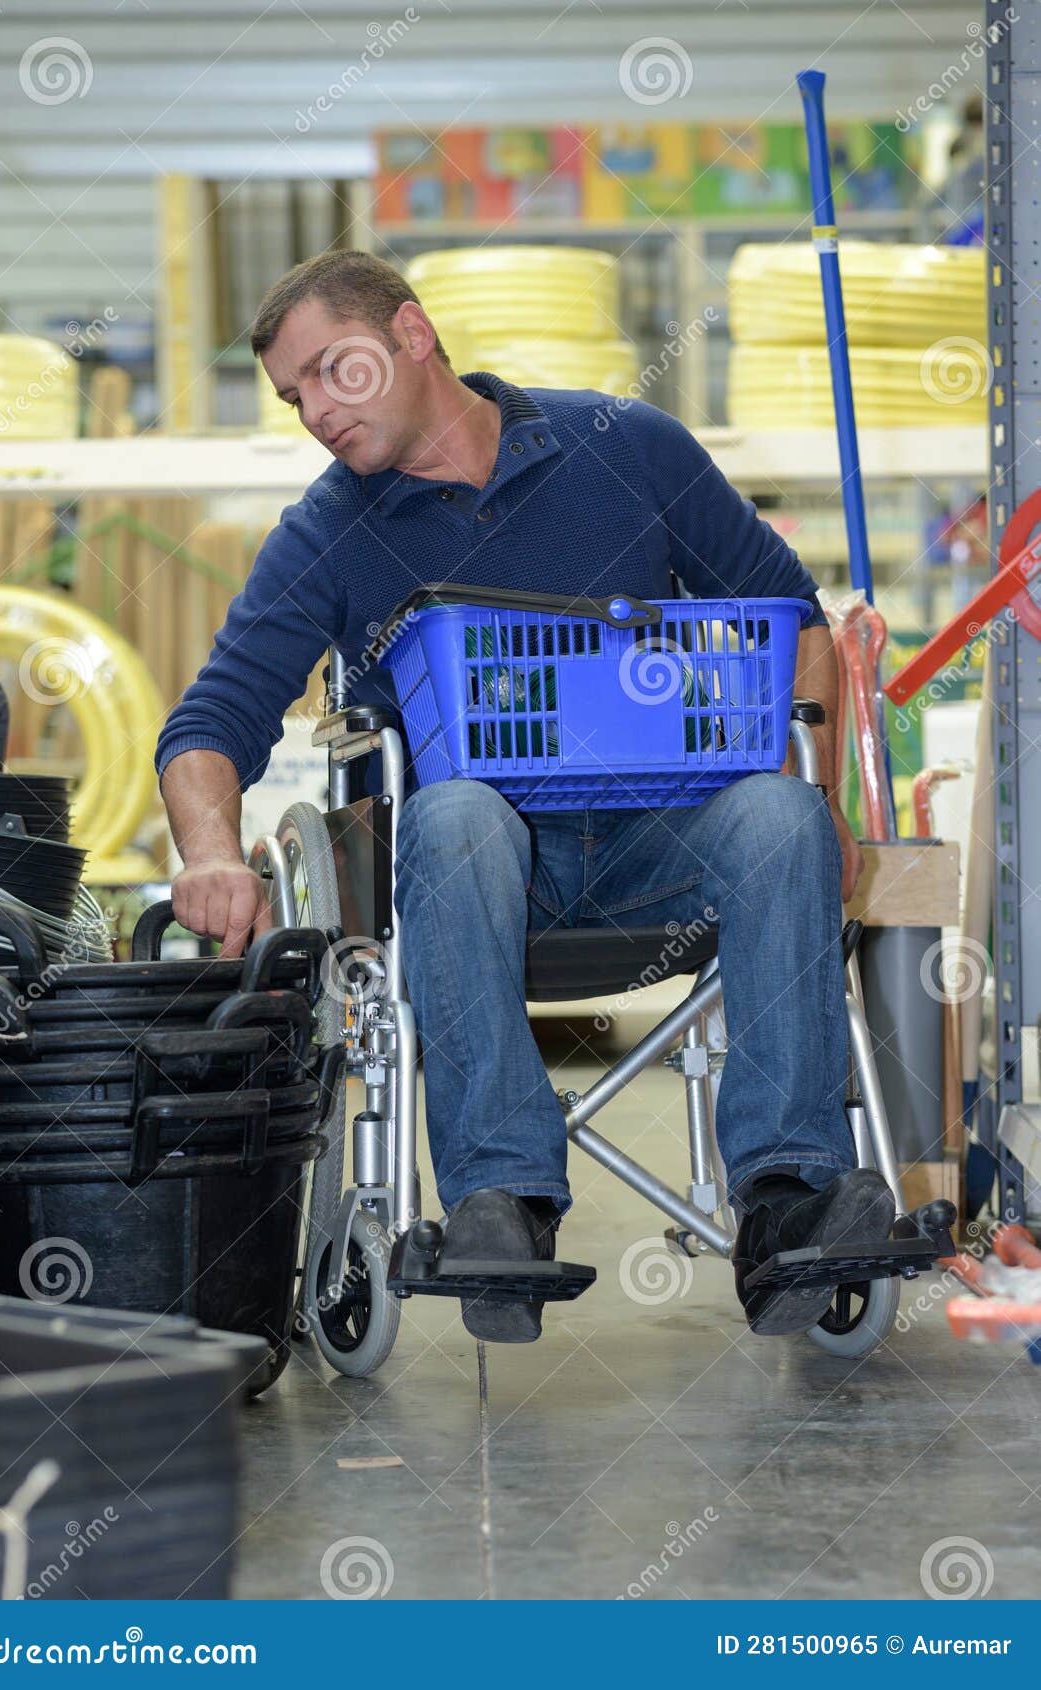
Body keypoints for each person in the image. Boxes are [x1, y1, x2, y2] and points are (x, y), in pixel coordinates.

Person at [155, 250, 894, 1346]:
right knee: (454, 810)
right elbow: (209, 723)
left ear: (411, 334)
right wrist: (211, 849)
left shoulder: (625, 448)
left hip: (662, 842)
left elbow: (795, 616)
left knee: (781, 816)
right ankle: (501, 1203)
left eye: (330, 371)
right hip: (483, 877)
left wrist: (824, 789)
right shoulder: (327, 532)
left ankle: (788, 1201)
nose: (313, 411)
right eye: (292, 394)